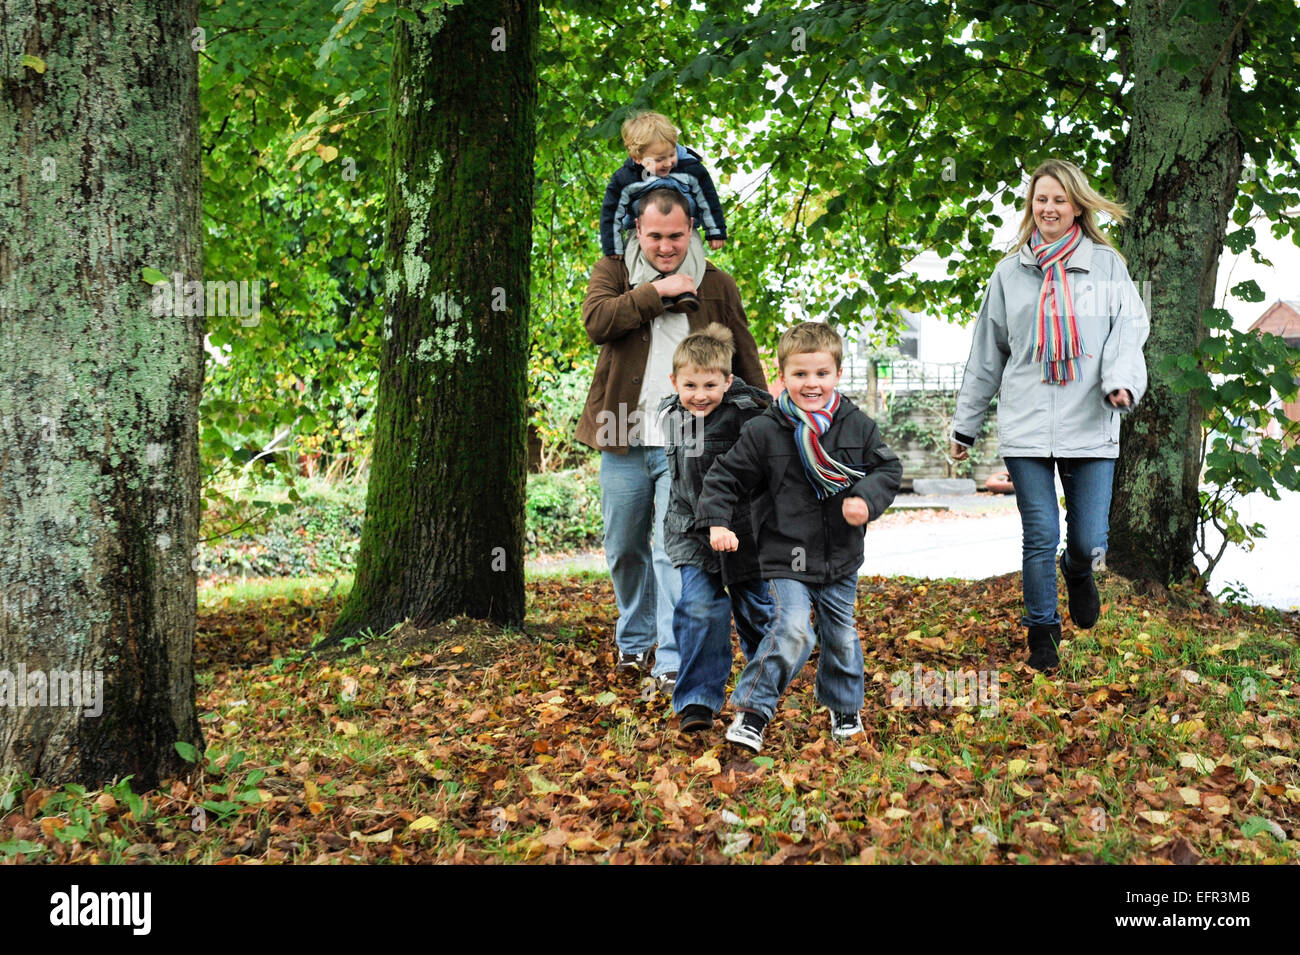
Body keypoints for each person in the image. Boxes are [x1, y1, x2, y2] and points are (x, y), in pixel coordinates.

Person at [950, 158, 1149, 672]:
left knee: (1087, 541)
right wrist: (965, 426)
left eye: (1059, 199)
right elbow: (987, 354)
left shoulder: (1106, 267)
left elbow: (1128, 332)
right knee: (1039, 534)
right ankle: (1042, 633)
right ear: (1030, 206)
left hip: (1091, 420)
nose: (1049, 208)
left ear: (1077, 205)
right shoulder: (1009, 272)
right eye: (1041, 199)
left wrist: (1120, 382)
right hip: (1026, 425)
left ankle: (1078, 572)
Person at [575, 187, 766, 696]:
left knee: (671, 548)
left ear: (692, 230)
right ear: (638, 231)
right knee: (623, 547)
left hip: (689, 441)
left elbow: (743, 356)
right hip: (622, 433)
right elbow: (596, 322)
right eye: (655, 236)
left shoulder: (716, 284)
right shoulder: (613, 274)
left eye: (676, 235)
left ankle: (670, 656)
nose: (665, 246)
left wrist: (769, 422)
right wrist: (655, 293)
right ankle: (634, 638)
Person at [696, 322, 902, 753]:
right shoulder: (765, 430)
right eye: (801, 374)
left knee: (840, 634)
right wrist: (718, 522)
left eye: (821, 374)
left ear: (838, 375)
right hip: (783, 553)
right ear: (782, 375)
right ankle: (753, 712)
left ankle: (844, 707)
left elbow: (888, 469)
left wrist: (864, 499)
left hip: (841, 553)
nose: (811, 384)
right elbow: (724, 477)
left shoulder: (856, 425)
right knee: (792, 630)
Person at [658, 324, 773, 733]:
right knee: (700, 609)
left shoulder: (748, 416)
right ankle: (697, 701)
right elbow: (682, 482)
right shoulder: (671, 414)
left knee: (757, 615)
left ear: (728, 380)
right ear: (674, 382)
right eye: (690, 384)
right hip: (692, 533)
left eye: (711, 384)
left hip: (743, 534)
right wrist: (703, 524)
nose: (700, 394)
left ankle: (762, 693)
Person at [600, 111, 727, 262]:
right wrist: (613, 246)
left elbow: (708, 199)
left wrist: (715, 231)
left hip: (684, 230)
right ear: (637, 158)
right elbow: (611, 213)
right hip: (641, 233)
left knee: (692, 261)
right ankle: (649, 284)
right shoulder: (625, 178)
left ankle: (685, 283)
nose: (668, 163)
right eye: (659, 159)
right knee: (636, 264)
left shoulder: (690, 167)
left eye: (672, 154)